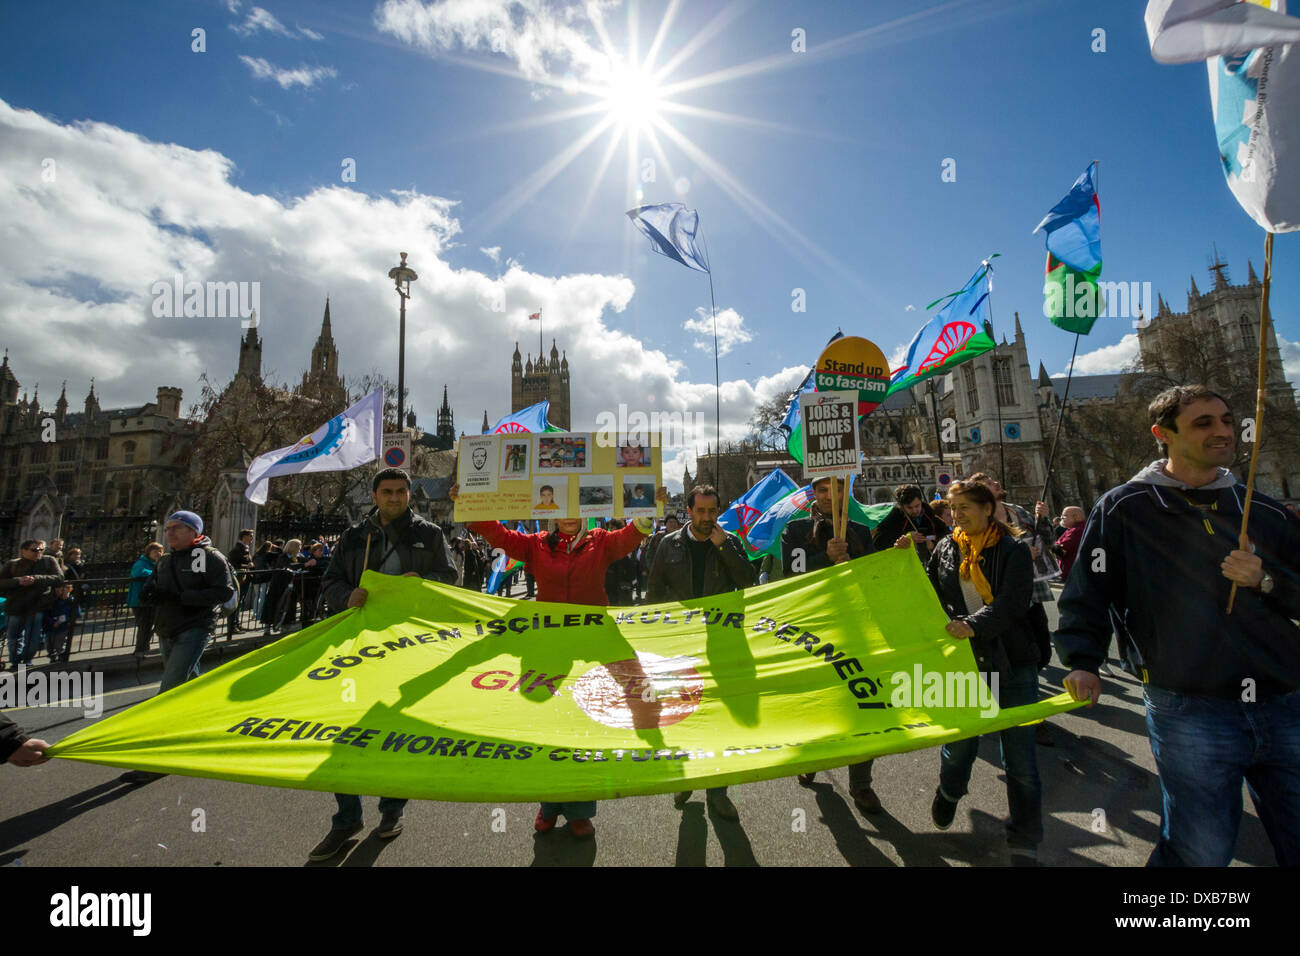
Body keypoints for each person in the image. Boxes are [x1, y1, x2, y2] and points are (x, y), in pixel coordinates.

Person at [1055, 385, 1300, 867]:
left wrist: (1266, 581)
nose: (1223, 431)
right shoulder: (1124, 508)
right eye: (1203, 423)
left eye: (1227, 420)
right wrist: (1083, 661)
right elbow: (1088, 591)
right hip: (1190, 705)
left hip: (1284, 699)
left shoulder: (1263, 509)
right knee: (1199, 849)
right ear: (1162, 435)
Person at [456, 479, 668, 838]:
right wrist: (469, 507)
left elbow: (632, 535)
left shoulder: (601, 541)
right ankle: (548, 804)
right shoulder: (536, 545)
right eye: (562, 511)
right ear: (551, 515)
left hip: (595, 639)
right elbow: (501, 537)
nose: (569, 518)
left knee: (588, 724)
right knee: (548, 727)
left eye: (576, 510)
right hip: (549, 644)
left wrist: (650, 508)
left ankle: (580, 811)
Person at [312, 468, 459, 860]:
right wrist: (347, 596)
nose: (394, 498)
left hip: (409, 646)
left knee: (398, 734)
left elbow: (451, 578)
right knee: (344, 733)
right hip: (358, 648)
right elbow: (329, 581)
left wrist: (422, 581)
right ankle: (346, 818)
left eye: (400, 491)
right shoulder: (354, 536)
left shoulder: (429, 534)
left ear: (410, 494)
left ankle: (391, 811)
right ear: (375, 495)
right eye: (387, 492)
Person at [925, 479, 1042, 865]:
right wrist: (902, 557)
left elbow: (1013, 602)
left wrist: (974, 623)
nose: (956, 515)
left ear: (987, 509)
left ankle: (1024, 832)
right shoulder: (944, 548)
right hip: (962, 661)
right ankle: (950, 793)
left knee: (1020, 757)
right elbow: (925, 593)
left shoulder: (1013, 549)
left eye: (964, 508)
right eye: (952, 509)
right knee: (960, 747)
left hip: (1012, 660)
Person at [783, 476, 909, 813]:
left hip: (854, 626)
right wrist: (825, 557)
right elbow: (792, 576)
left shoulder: (860, 530)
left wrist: (895, 557)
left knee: (864, 701)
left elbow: (873, 576)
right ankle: (813, 755)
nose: (828, 496)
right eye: (822, 490)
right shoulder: (795, 531)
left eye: (835, 490)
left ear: (844, 493)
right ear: (814, 494)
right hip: (813, 629)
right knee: (817, 701)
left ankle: (861, 783)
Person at [647, 484, 757, 822]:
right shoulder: (668, 545)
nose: (707, 518)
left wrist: (724, 547)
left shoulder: (730, 542)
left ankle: (718, 794)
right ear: (690, 511)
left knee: (720, 719)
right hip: (682, 644)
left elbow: (749, 581)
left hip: (722, 642)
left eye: (712, 511)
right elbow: (654, 593)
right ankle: (687, 778)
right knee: (684, 713)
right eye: (701, 511)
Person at [121, 511, 235, 784]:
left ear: (194, 532)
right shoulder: (167, 560)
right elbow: (153, 585)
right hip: (166, 628)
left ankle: (157, 760)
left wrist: (181, 597)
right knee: (189, 684)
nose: (169, 532)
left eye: (177, 528)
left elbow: (223, 592)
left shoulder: (208, 557)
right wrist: (149, 592)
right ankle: (212, 728)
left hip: (194, 628)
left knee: (169, 691)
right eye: (168, 527)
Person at [1, 540, 63, 670]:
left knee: (33, 638)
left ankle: (27, 660)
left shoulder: (49, 561)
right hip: (15, 605)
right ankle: (16, 662)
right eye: (34, 550)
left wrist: (36, 579)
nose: (38, 552)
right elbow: (1, 582)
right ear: (23, 551)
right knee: (14, 637)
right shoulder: (13, 564)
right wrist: (18, 581)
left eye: (41, 550)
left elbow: (59, 578)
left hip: (37, 605)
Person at [871, 484, 946, 563]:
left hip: (929, 563)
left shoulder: (930, 515)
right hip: (903, 563)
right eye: (909, 508)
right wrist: (903, 537)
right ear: (901, 506)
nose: (914, 510)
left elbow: (946, 535)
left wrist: (933, 544)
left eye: (917, 506)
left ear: (921, 501)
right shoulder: (893, 517)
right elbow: (877, 542)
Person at [128, 543, 164, 657]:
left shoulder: (156, 563)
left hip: (151, 599)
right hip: (140, 600)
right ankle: (140, 650)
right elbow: (139, 573)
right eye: (155, 551)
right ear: (149, 552)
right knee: (144, 625)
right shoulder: (141, 563)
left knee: (151, 624)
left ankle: (144, 648)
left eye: (160, 551)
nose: (158, 554)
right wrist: (158, 574)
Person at [1051, 506, 1087, 580]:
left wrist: (1051, 546)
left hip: (1074, 574)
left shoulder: (1077, 531)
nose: (1061, 518)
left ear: (1076, 517)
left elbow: (1060, 550)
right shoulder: (1073, 529)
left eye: (1064, 516)